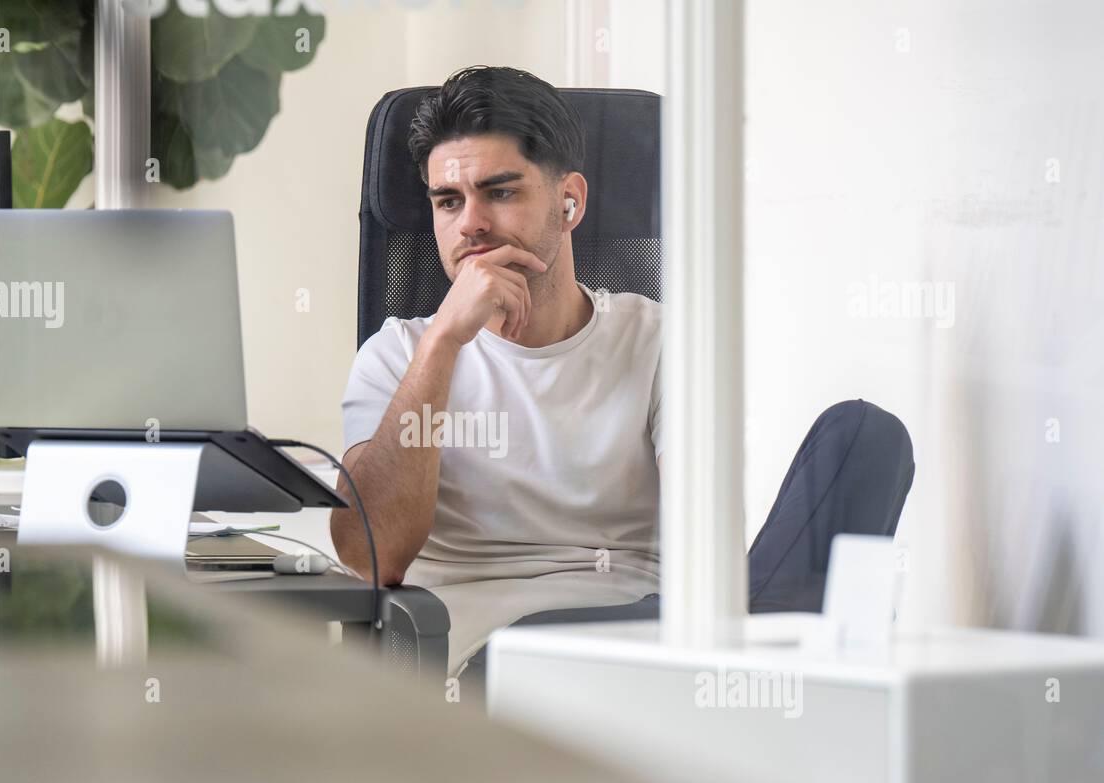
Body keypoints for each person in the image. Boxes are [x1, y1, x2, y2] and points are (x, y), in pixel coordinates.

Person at [330, 66, 914, 682]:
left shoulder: (661, 339)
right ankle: (781, 669)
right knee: (745, 648)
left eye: (500, 192)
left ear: (569, 200)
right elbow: (372, 558)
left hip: (652, 637)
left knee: (866, 437)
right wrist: (444, 343)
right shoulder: (399, 356)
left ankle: (752, 666)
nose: (469, 223)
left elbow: (707, 550)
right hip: (503, 660)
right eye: (449, 201)